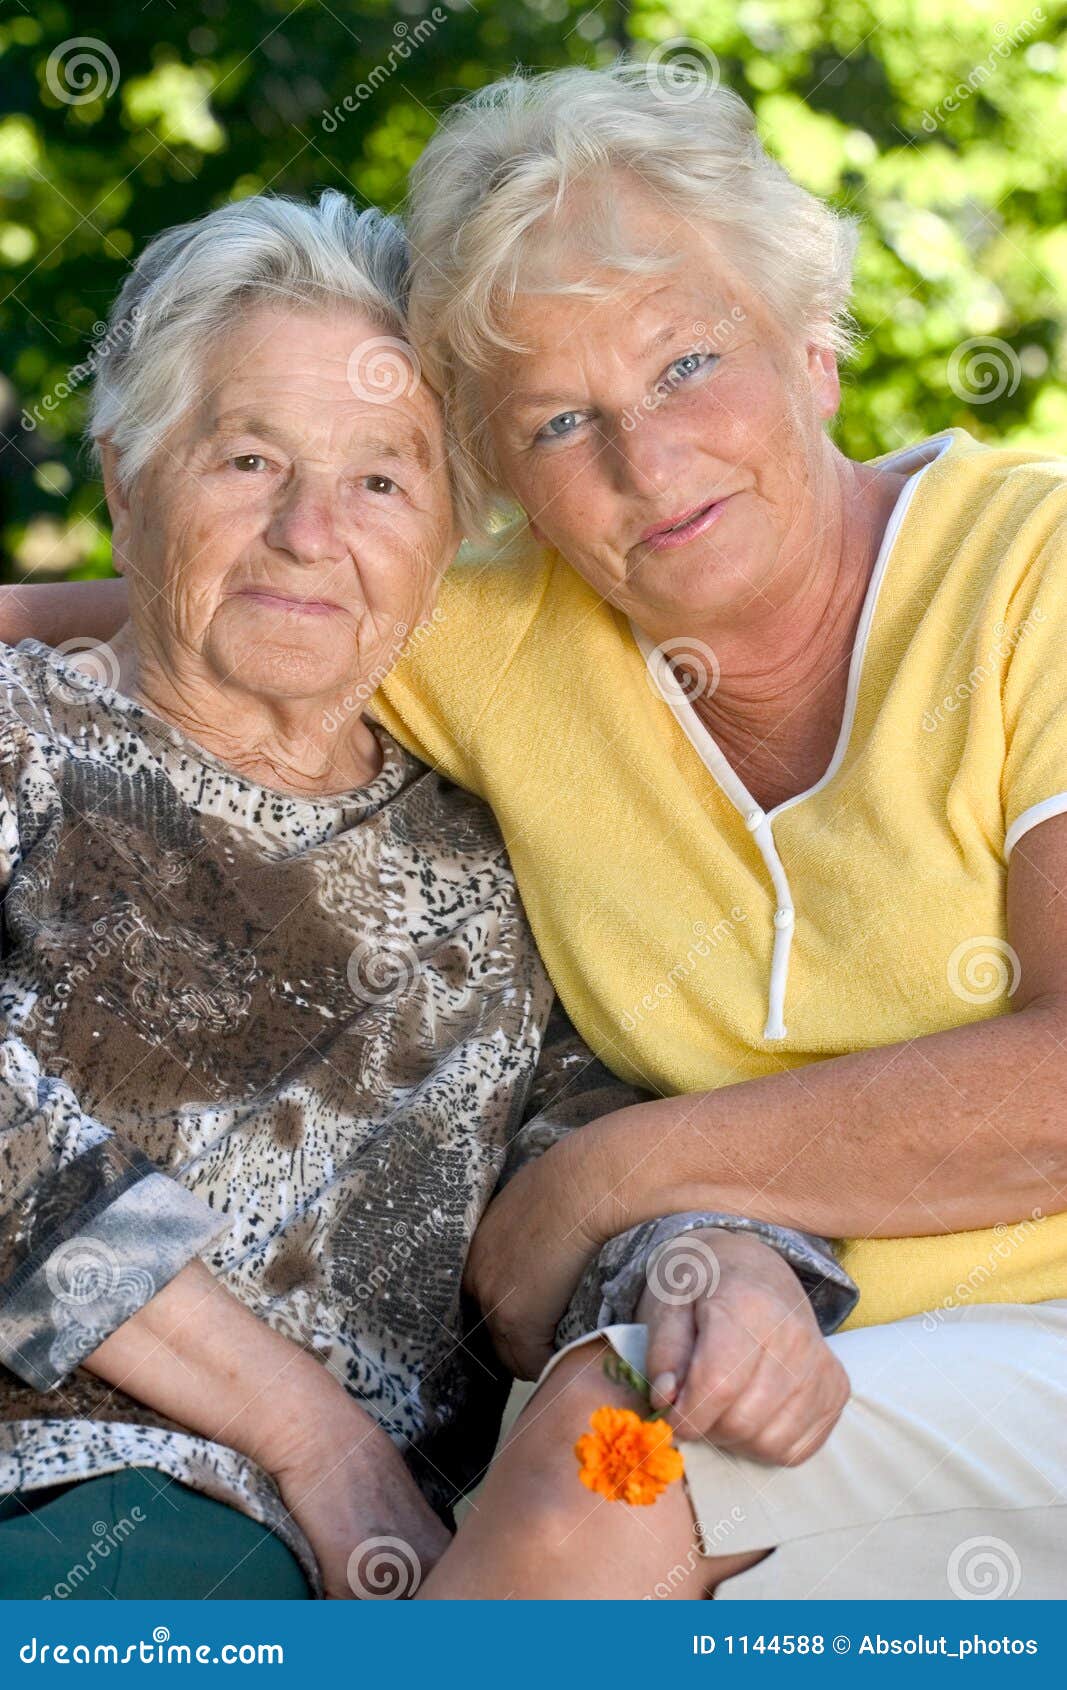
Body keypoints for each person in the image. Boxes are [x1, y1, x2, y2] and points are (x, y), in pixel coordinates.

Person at [0, 188, 853, 1601]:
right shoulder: (28, 742)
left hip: (373, 1584)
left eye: (383, 480)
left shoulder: (494, 852)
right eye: (248, 457)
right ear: (124, 479)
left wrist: (719, 1260)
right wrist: (305, 1427)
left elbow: (603, 1144)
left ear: (453, 534)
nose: (306, 529)